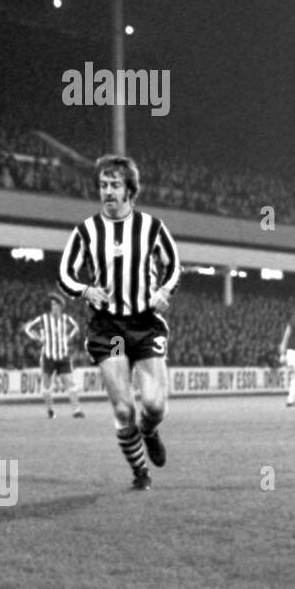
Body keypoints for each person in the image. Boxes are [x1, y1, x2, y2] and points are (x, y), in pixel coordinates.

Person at [58, 155, 180, 490]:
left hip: (144, 323)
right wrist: (85, 291)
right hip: (109, 329)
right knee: (124, 410)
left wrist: (164, 292)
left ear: (130, 190)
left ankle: (150, 430)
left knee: (154, 405)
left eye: (114, 185)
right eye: (103, 185)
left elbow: (174, 266)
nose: (107, 191)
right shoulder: (86, 230)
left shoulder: (152, 227)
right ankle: (140, 472)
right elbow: (65, 273)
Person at [23, 292, 84, 419]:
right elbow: (28, 328)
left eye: (56, 304)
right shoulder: (44, 319)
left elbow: (76, 327)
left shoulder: (66, 319)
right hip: (48, 356)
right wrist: (38, 337)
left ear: (61, 307)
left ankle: (76, 410)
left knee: (69, 381)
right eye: (52, 304)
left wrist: (68, 337)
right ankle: (50, 411)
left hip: (63, 356)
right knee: (46, 383)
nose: (54, 307)